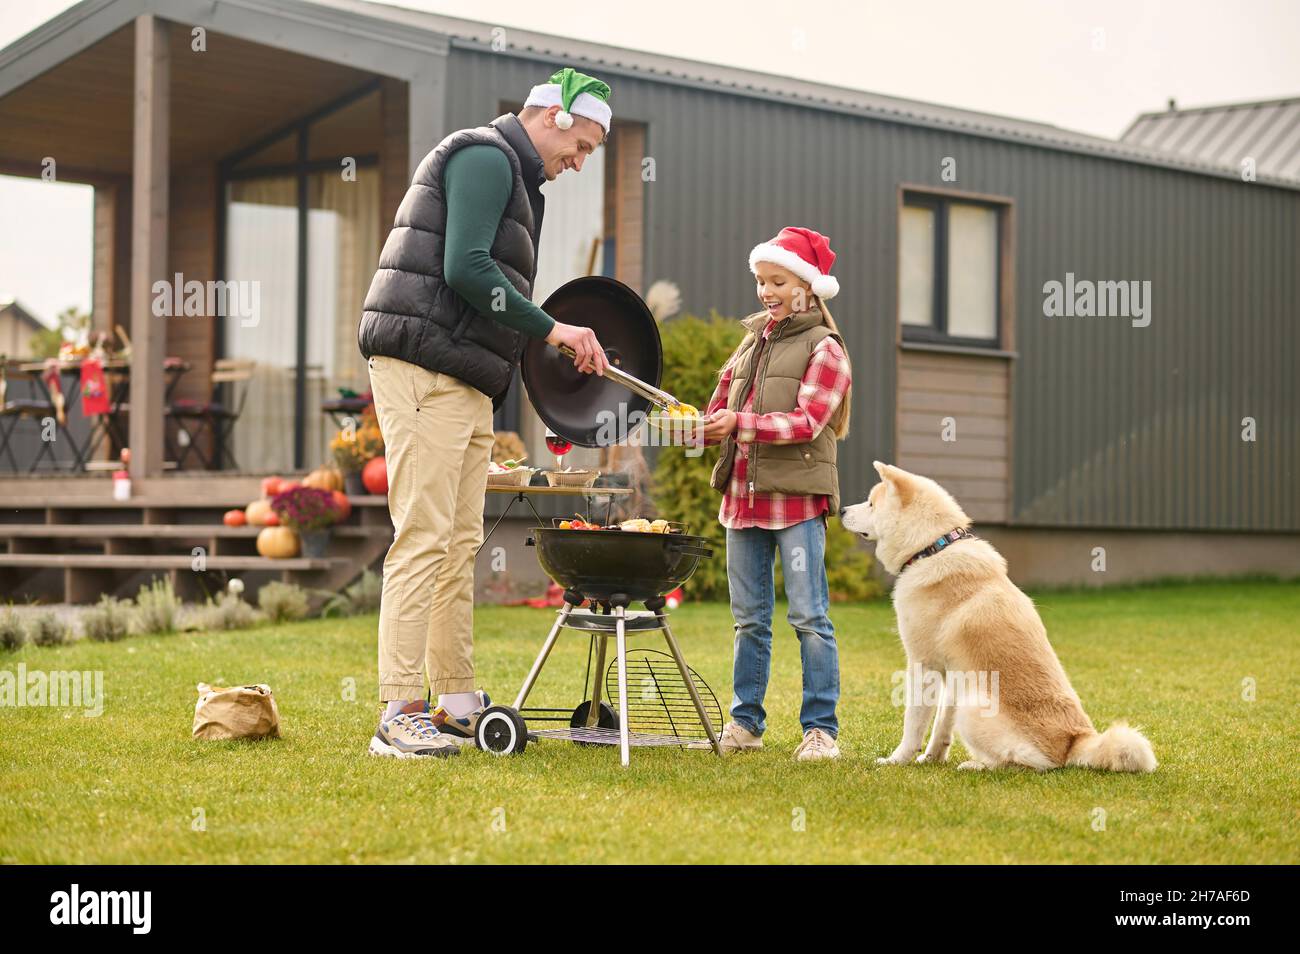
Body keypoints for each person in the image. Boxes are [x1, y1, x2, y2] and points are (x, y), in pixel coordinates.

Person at [357, 68, 613, 758]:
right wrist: (552, 329)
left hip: (466, 378)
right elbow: (467, 269)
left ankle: (455, 699)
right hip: (423, 365)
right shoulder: (483, 155)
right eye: (582, 145)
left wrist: (546, 344)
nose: (581, 162)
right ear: (553, 116)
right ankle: (398, 710)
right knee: (424, 534)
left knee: (460, 541)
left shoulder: (521, 181)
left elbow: (493, 292)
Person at [700, 226, 853, 762]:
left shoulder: (825, 349)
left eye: (777, 280)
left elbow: (808, 422)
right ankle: (746, 724)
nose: (765, 291)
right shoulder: (750, 344)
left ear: (806, 287)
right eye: (761, 280)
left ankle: (820, 730)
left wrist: (736, 422)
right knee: (748, 620)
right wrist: (698, 426)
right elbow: (719, 406)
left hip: (795, 503)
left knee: (809, 617)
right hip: (742, 500)